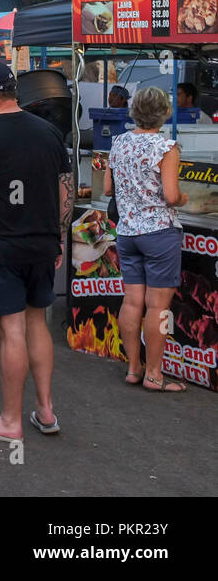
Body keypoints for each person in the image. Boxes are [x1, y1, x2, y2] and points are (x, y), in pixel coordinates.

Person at [0, 58, 74, 438]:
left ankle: (9, 421)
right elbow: (64, 192)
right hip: (42, 243)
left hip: (1, 246)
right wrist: (58, 236)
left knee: (11, 328)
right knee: (37, 322)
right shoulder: (50, 133)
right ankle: (46, 410)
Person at [105, 85, 187, 393]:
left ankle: (133, 368)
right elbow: (171, 195)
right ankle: (154, 374)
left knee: (132, 301)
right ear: (165, 112)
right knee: (158, 308)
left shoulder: (119, 143)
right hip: (159, 234)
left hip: (127, 233)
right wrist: (183, 199)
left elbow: (109, 190)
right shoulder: (166, 148)